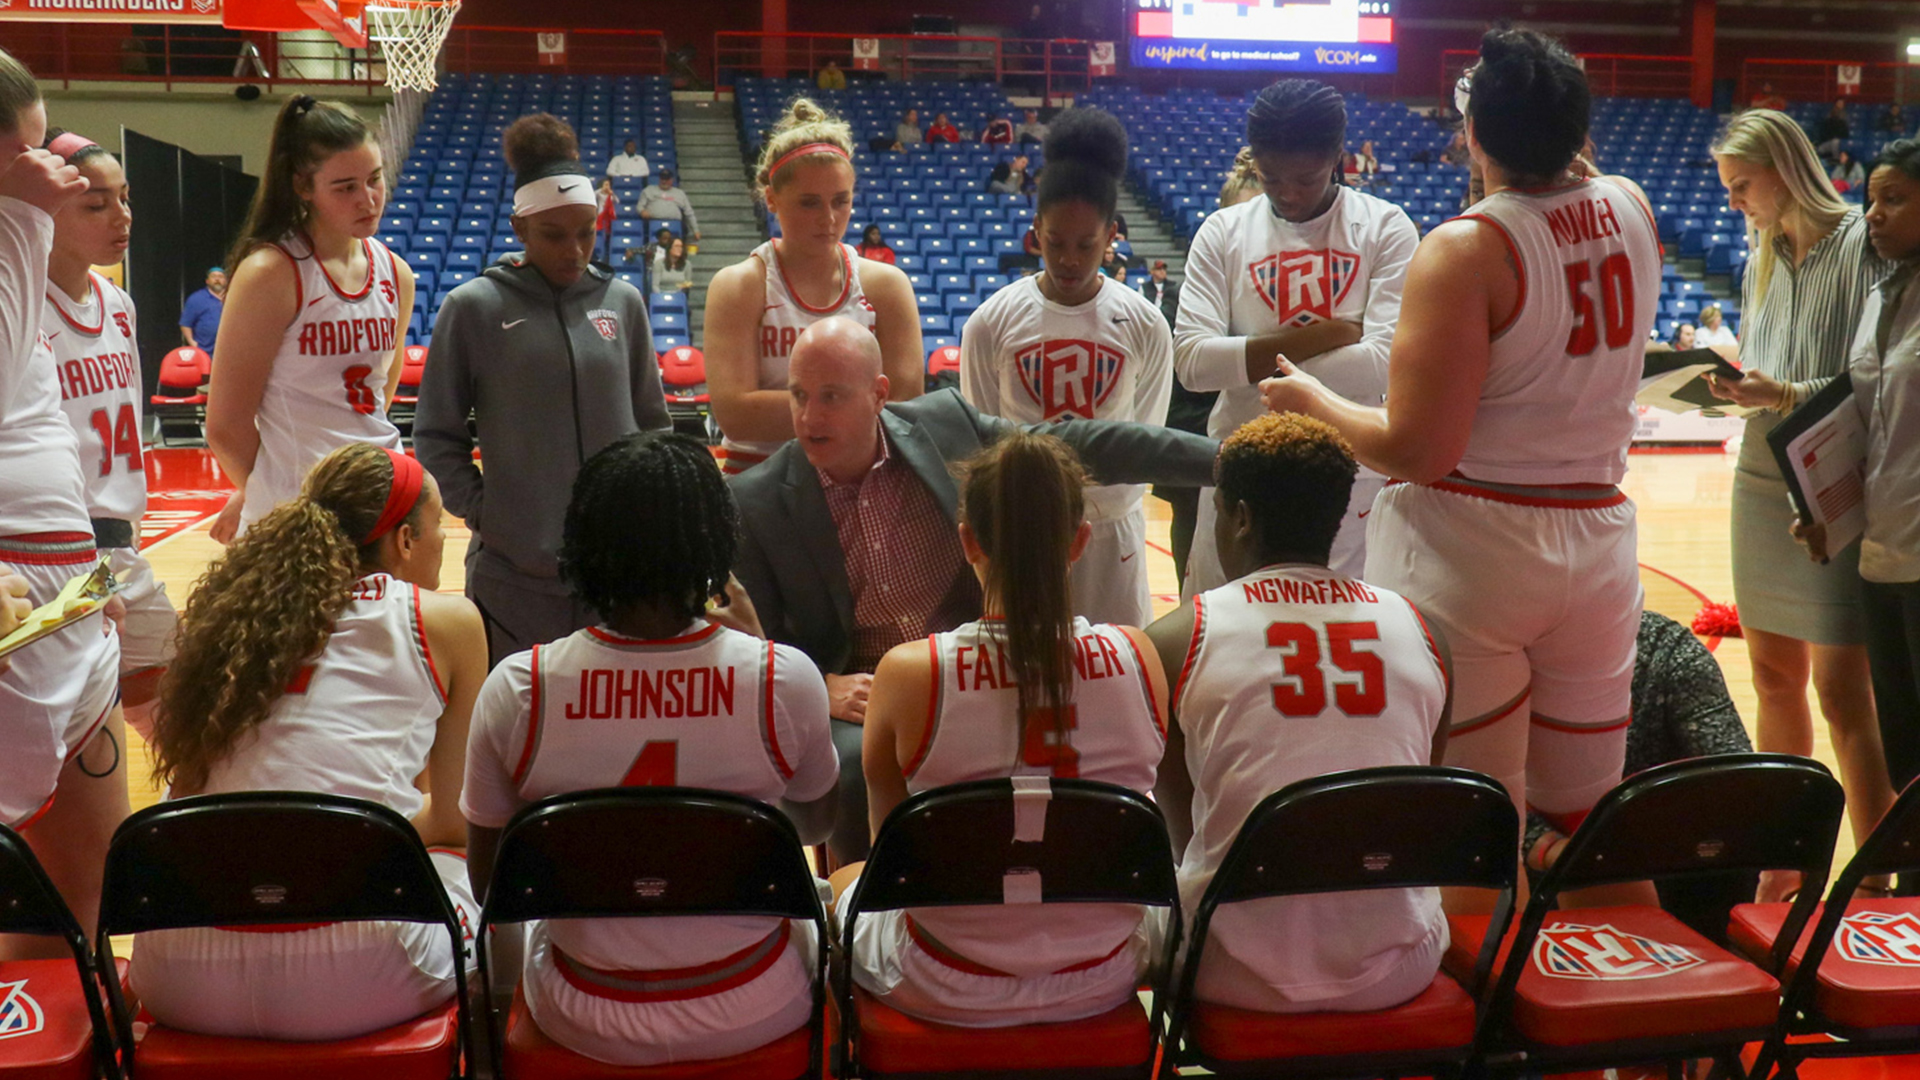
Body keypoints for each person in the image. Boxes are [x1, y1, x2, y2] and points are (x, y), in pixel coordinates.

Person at [1259, 27, 1660, 850]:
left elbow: (1416, 451)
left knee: (1474, 826)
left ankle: (1484, 976)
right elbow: (1573, 188)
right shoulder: (1632, 203)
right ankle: (1635, 972)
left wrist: (1312, 400)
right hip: (1599, 541)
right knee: (1589, 822)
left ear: (1473, 132)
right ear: (1578, 132)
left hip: (1477, 544)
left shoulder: (1467, 248)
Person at [730, 317, 1216, 867]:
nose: (809, 416)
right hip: (856, 692)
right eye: (798, 395)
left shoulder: (946, 426)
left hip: (976, 656)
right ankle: (871, 910)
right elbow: (758, 644)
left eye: (831, 396)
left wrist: (1222, 461)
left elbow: (1080, 444)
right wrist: (822, 682)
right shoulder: (756, 500)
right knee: (850, 776)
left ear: (879, 395)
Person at [462, 432, 837, 1066]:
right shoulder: (783, 676)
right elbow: (815, 820)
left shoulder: (520, 688)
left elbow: (489, 879)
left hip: (583, 1006)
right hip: (754, 996)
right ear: (715, 544)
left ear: (580, 543)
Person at [132, 443, 485, 1038]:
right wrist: (346, 834)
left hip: (177, 972)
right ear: (403, 540)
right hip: (356, 977)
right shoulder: (445, 622)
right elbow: (453, 821)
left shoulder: (231, 619)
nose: (443, 544)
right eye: (437, 531)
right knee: (476, 873)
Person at [835, 429, 1170, 1026]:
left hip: (942, 977)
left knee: (845, 878)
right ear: (1080, 543)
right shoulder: (1140, 657)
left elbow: (892, 861)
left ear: (967, 542)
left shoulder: (911, 673)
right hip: (1104, 969)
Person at [1147, 413, 1451, 1013]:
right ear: (1337, 516)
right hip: (1399, 959)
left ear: (1238, 516)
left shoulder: (1176, 639)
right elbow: (1415, 796)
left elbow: (1184, 831)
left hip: (1228, 964)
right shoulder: (1425, 630)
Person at [1704, 108, 1893, 899]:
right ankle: (1786, 868)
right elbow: (1769, 363)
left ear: (1783, 168)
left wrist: (1777, 391)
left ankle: (1884, 869)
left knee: (1844, 689)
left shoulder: (1861, 240)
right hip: (1758, 468)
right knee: (1772, 674)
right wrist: (1725, 387)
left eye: (1743, 186)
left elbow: (1876, 377)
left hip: (1830, 474)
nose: (1737, 202)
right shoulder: (1762, 252)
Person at [415, 113, 672, 666]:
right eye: (554, 235)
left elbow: (653, 426)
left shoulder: (622, 302)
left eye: (586, 232)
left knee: (609, 728)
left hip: (618, 574)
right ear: (519, 228)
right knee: (517, 732)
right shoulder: (474, 308)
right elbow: (436, 435)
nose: (574, 250)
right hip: (514, 580)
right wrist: (492, 512)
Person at [1173, 79, 1418, 592]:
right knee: (1225, 641)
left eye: (1305, 179)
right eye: (1270, 178)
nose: (1287, 194)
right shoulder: (1223, 231)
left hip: (1350, 472)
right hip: (1239, 464)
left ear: (1337, 158)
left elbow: (1384, 362)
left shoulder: (1385, 228)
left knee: (1338, 637)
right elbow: (1193, 364)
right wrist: (1330, 336)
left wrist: (1250, 365)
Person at [0, 46, 125, 960]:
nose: (51, 169)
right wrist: (19, 214)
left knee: (88, 892)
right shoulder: (18, 231)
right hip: (12, 601)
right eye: (31, 151)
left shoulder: (23, 235)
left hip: (74, 590)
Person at [962, 111, 1171, 627]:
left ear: (1112, 237)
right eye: (1056, 243)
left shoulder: (1145, 324)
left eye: (1086, 245)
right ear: (1036, 233)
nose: (1070, 260)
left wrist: (1096, 506)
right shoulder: (991, 322)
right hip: (1022, 532)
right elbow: (984, 440)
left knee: (1117, 674)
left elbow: (1143, 441)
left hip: (1111, 533)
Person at [204, 94, 413, 542]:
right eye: (346, 187)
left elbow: (380, 396)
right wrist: (263, 489)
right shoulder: (271, 272)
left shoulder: (397, 273)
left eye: (374, 179)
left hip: (376, 497)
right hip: (298, 513)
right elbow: (225, 425)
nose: (368, 198)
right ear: (303, 186)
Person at [703, 98, 923, 477]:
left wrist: (799, 406)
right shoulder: (739, 286)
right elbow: (737, 416)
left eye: (841, 201)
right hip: (759, 480)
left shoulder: (887, 285)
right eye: (809, 203)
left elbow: (905, 406)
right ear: (771, 199)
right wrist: (858, 405)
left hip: (862, 484)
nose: (829, 218)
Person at [42, 129, 177, 736]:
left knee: (188, 712)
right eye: (96, 204)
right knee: (85, 742)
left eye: (124, 199)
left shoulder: (117, 302)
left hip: (121, 548)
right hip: (65, 556)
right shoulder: (20, 309)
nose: (120, 217)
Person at [1523, 609, 1760, 934]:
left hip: (1672, 881)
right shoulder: (1496, 653)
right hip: (1550, 872)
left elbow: (1741, 785)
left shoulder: (1668, 649)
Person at [1814, 140, 1920, 801]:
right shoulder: (1881, 294)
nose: (1872, 215)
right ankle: (1912, 889)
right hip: (1880, 549)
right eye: (1871, 199)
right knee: (1904, 741)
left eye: (1895, 199)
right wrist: (1824, 508)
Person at [635, 167, 699, 246]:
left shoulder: (679, 193)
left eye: (667, 179)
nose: (664, 181)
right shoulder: (649, 190)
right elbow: (639, 206)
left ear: (672, 180)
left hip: (675, 224)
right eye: (662, 179)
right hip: (653, 223)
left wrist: (696, 230)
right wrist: (642, 211)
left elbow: (689, 213)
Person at [178, 265, 225, 354]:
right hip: (205, 351)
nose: (217, 279)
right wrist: (193, 343)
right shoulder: (196, 298)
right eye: (214, 276)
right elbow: (185, 324)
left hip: (227, 352)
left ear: (226, 281)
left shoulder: (233, 297)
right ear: (207, 281)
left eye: (220, 277)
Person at [1139, 259, 1178, 323]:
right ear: (1152, 271)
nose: (1162, 271)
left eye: (1164, 269)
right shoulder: (1144, 287)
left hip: (1168, 318)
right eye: (1159, 269)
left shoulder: (1173, 286)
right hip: (1150, 317)